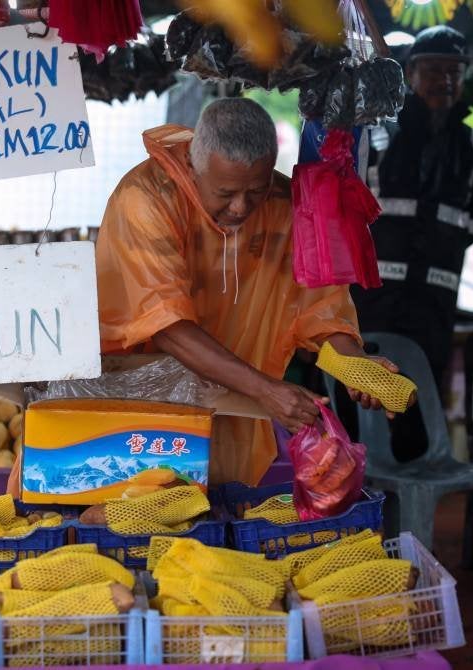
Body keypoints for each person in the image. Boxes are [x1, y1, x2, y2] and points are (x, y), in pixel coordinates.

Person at [93, 97, 399, 487]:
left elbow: (321, 311)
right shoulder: (146, 199)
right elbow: (165, 324)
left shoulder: (283, 204)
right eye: (225, 193)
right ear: (192, 165)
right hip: (134, 413)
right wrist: (265, 390)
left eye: (255, 190)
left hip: (234, 415)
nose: (241, 207)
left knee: (212, 528)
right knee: (128, 522)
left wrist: (356, 365)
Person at [350, 26, 473, 461]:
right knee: (363, 404)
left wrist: (435, 254)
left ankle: (412, 515)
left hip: (433, 302)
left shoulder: (472, 146)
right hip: (374, 299)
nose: (444, 81)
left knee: (419, 404)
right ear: (410, 73)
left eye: (454, 72)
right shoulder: (376, 134)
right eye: (433, 70)